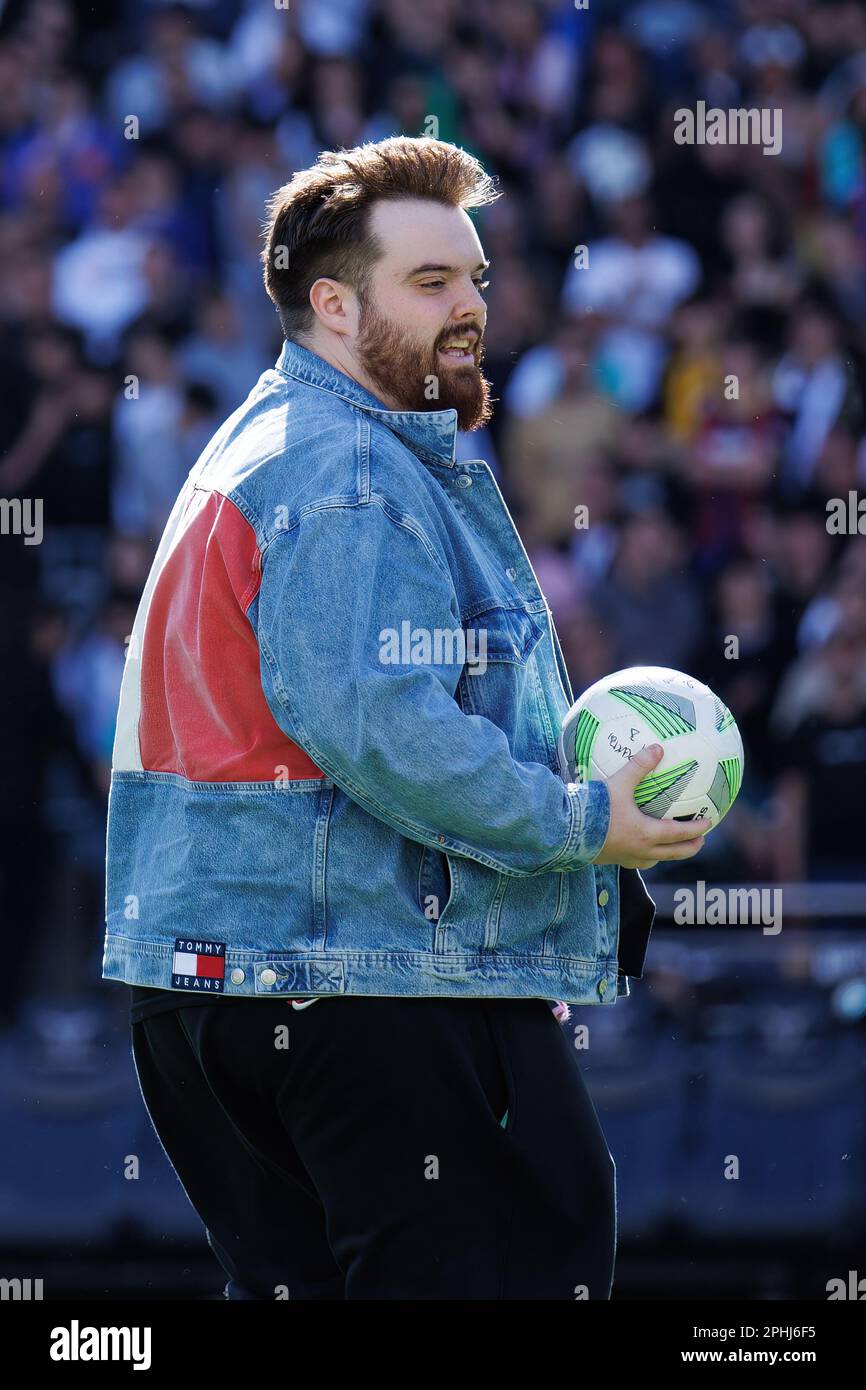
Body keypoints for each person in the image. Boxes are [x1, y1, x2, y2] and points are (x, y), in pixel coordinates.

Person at [102, 136, 710, 1300]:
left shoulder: (255, 443)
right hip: (360, 976)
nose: (469, 307)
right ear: (332, 304)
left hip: (212, 982)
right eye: (429, 283)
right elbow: (380, 723)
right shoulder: (351, 473)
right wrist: (586, 822)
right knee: (521, 1260)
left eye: (474, 277)